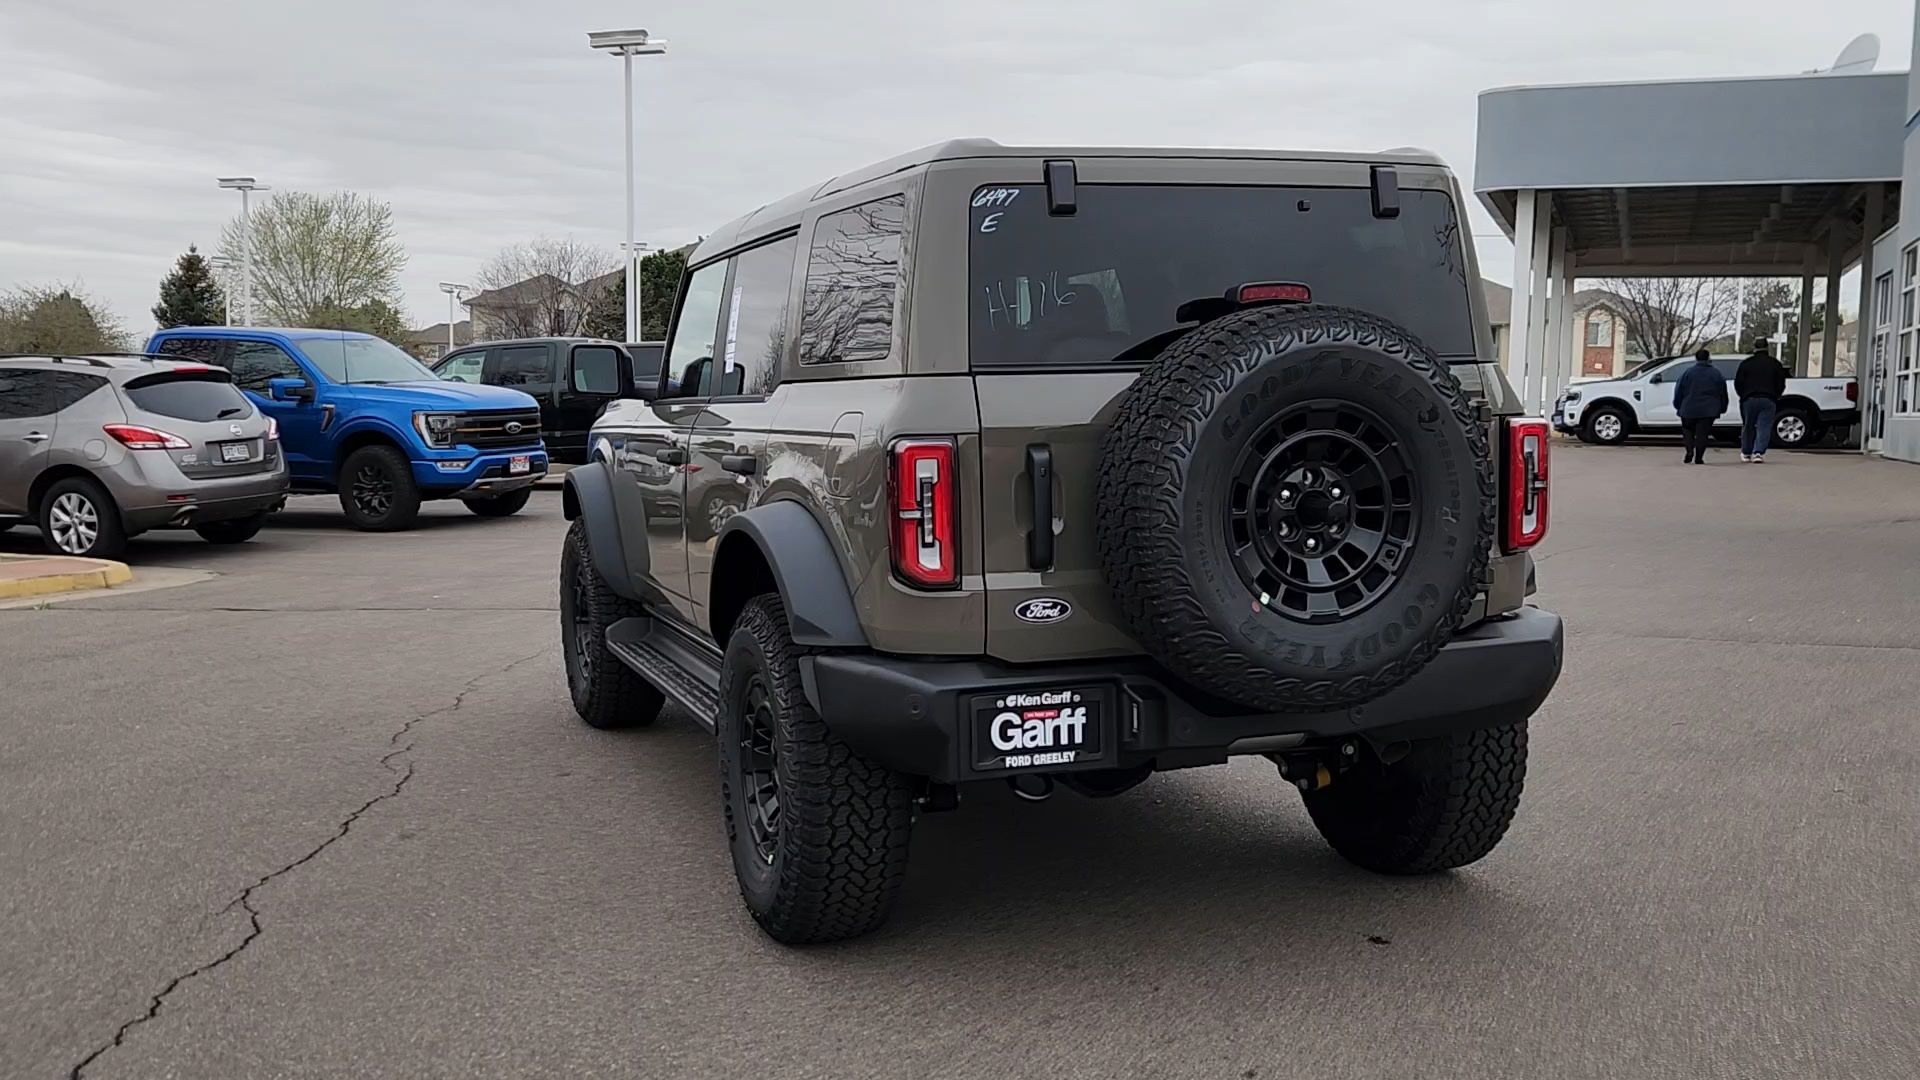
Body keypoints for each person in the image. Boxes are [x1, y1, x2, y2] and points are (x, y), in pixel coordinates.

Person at [1734, 338, 1788, 463]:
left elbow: (1739, 383)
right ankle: (1758, 453)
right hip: (1768, 399)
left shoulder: (1746, 364)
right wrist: (1776, 396)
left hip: (1749, 398)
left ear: (1754, 347)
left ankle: (1746, 452)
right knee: (1764, 426)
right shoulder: (1775, 364)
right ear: (1767, 347)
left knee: (1748, 426)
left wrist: (1743, 396)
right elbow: (1781, 383)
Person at [1673, 348, 1728, 465]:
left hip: (1688, 408)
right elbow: (1722, 391)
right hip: (1708, 410)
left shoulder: (1687, 373)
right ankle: (1699, 457)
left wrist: (1678, 405)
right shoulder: (1716, 373)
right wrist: (1723, 407)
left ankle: (1689, 450)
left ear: (1696, 358)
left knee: (1688, 431)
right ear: (1708, 358)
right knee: (1702, 433)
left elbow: (1679, 390)